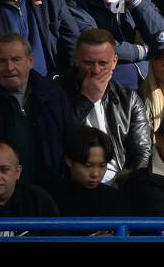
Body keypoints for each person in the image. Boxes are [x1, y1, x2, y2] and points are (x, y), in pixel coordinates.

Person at [0, 32, 76, 190]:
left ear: (30, 61)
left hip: (52, 192)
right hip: (1, 193)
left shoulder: (53, 95)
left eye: (16, 60)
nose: (9, 67)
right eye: (2, 61)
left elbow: (71, 137)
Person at [62, 28, 152, 183]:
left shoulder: (128, 99)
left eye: (103, 63)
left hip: (122, 182)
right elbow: (57, 140)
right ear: (76, 59)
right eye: (89, 63)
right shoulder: (57, 93)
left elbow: (142, 151)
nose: (96, 70)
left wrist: (125, 183)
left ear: (114, 62)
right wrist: (86, 100)